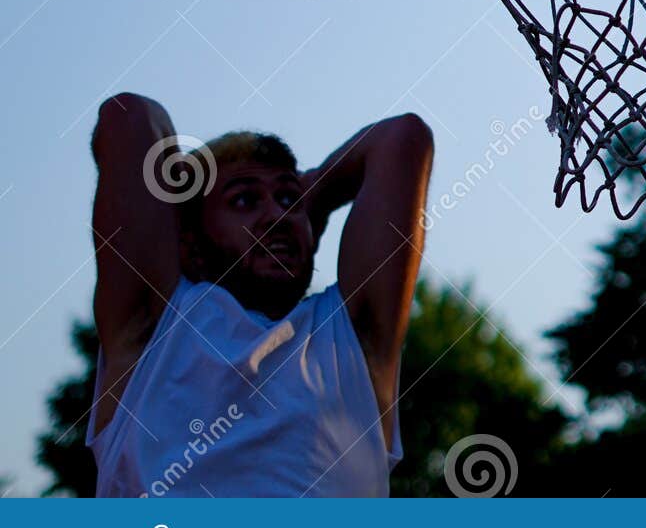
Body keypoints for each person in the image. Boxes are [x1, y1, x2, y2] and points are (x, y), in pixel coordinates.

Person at [87, 93, 433, 498]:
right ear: (189, 242)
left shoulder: (352, 339)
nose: (277, 214)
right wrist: (179, 208)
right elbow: (129, 116)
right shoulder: (153, 327)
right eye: (245, 200)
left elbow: (402, 138)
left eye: (289, 199)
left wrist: (314, 194)